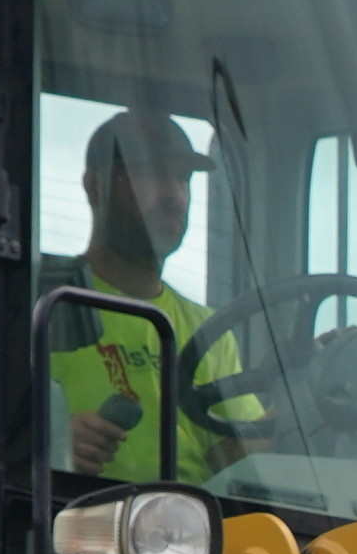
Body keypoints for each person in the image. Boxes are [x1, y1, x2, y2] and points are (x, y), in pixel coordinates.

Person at [46, 111, 260, 480]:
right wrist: (52, 442)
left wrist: (298, 405)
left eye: (182, 178)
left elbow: (230, 463)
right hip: (75, 523)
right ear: (95, 186)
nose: (173, 195)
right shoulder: (42, 304)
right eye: (150, 173)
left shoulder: (208, 330)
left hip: (194, 527)